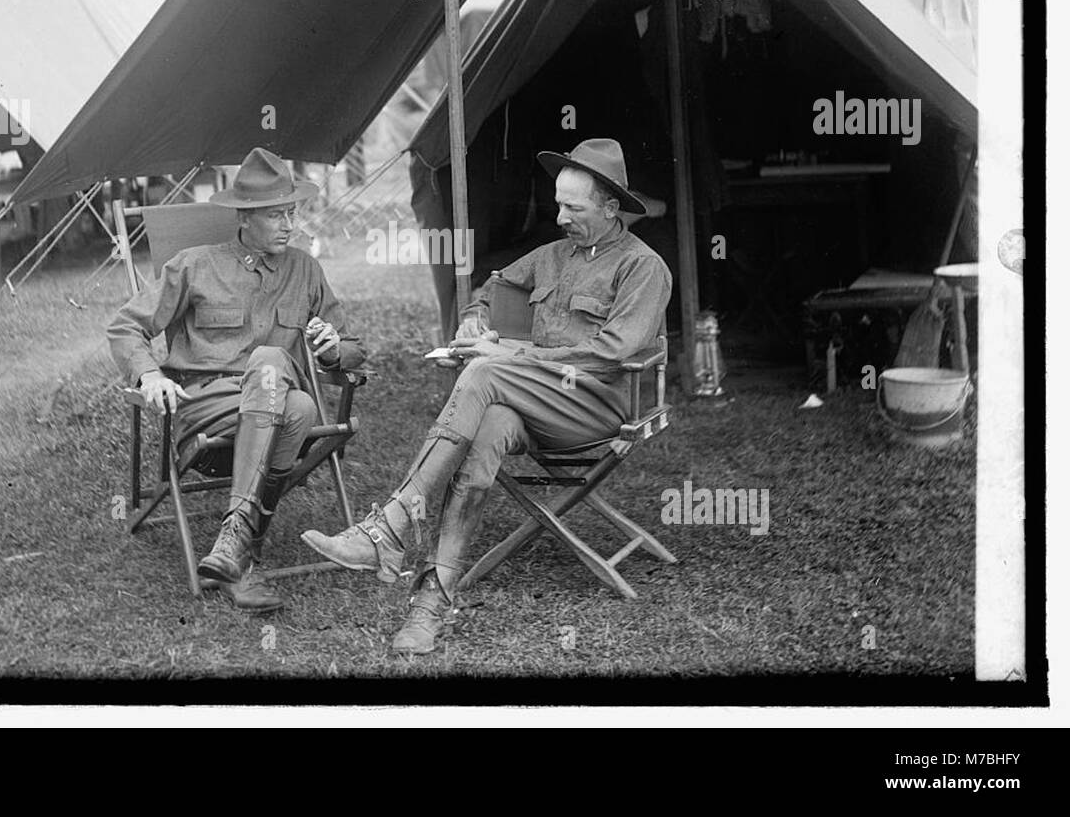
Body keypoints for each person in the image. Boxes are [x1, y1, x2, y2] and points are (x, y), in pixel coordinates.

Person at [302, 138, 671, 653]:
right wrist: (476, 322)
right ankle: (430, 604)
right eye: (558, 204)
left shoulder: (642, 267)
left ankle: (390, 525)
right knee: (486, 433)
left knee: (483, 375)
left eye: (574, 207)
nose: (560, 217)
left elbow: (610, 353)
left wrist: (507, 356)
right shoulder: (553, 256)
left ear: (611, 209)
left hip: (596, 408)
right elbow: (488, 289)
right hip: (534, 403)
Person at [108, 148, 366, 613]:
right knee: (281, 378)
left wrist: (332, 349)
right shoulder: (194, 265)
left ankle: (234, 545)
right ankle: (245, 539)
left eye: (292, 212)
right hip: (209, 406)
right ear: (244, 218)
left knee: (301, 405)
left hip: (279, 405)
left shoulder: (305, 269)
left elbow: (353, 346)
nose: (289, 224)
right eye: (275, 215)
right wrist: (149, 374)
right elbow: (126, 326)